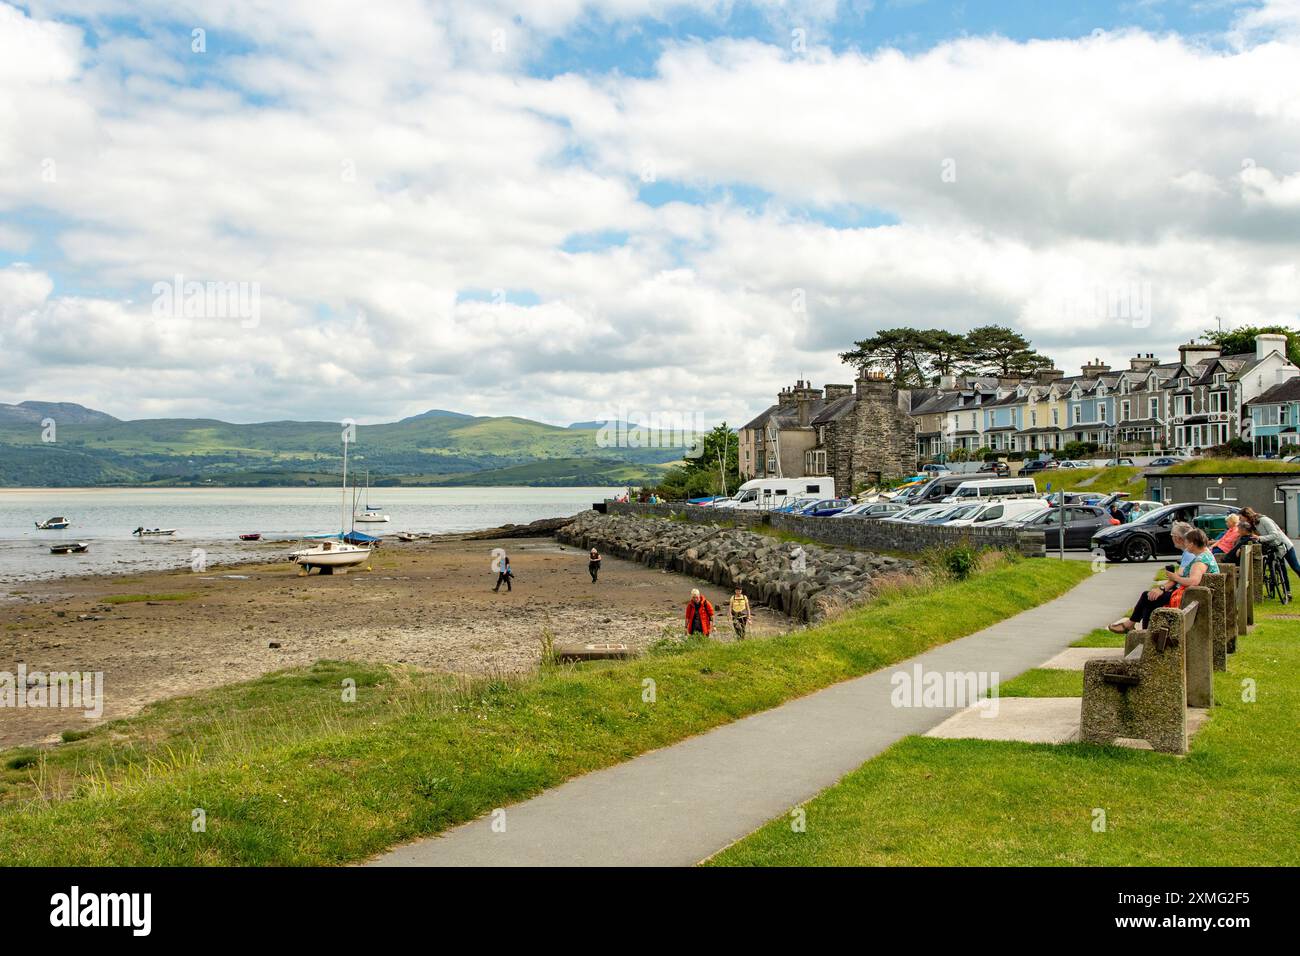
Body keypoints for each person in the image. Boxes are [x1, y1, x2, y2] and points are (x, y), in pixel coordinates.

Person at [1110, 527, 1217, 633]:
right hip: (1193, 596)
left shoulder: (1200, 561)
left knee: (1148, 597)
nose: (1185, 544)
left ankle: (1139, 632)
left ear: (1192, 544)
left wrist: (1175, 578)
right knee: (1150, 599)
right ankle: (1142, 633)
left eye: (1187, 542)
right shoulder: (1204, 554)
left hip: (1189, 597)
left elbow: (1194, 581)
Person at [1240, 507, 1300, 579]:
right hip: (1273, 548)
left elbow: (1275, 535)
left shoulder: (1264, 520)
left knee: (1295, 567)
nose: (1240, 519)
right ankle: (1287, 590)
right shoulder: (1253, 524)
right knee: (1279, 571)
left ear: (1247, 516)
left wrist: (1260, 538)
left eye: (1241, 517)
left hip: (1284, 546)